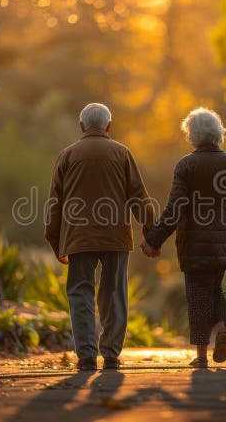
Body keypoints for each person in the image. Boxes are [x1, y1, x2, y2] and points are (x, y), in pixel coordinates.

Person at [45, 103, 155, 371]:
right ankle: (111, 354)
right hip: (115, 236)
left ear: (82, 127)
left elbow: (54, 203)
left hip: (78, 237)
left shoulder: (67, 155)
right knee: (114, 292)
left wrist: (55, 241)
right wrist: (151, 232)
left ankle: (85, 355)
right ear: (108, 126)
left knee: (80, 292)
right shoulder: (122, 153)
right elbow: (140, 198)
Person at [141, 107, 226, 368]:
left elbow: (174, 209)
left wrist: (153, 241)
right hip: (224, 243)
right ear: (218, 133)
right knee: (215, 289)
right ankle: (223, 329)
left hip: (194, 244)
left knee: (197, 296)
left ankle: (202, 356)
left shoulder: (186, 165)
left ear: (192, 134)